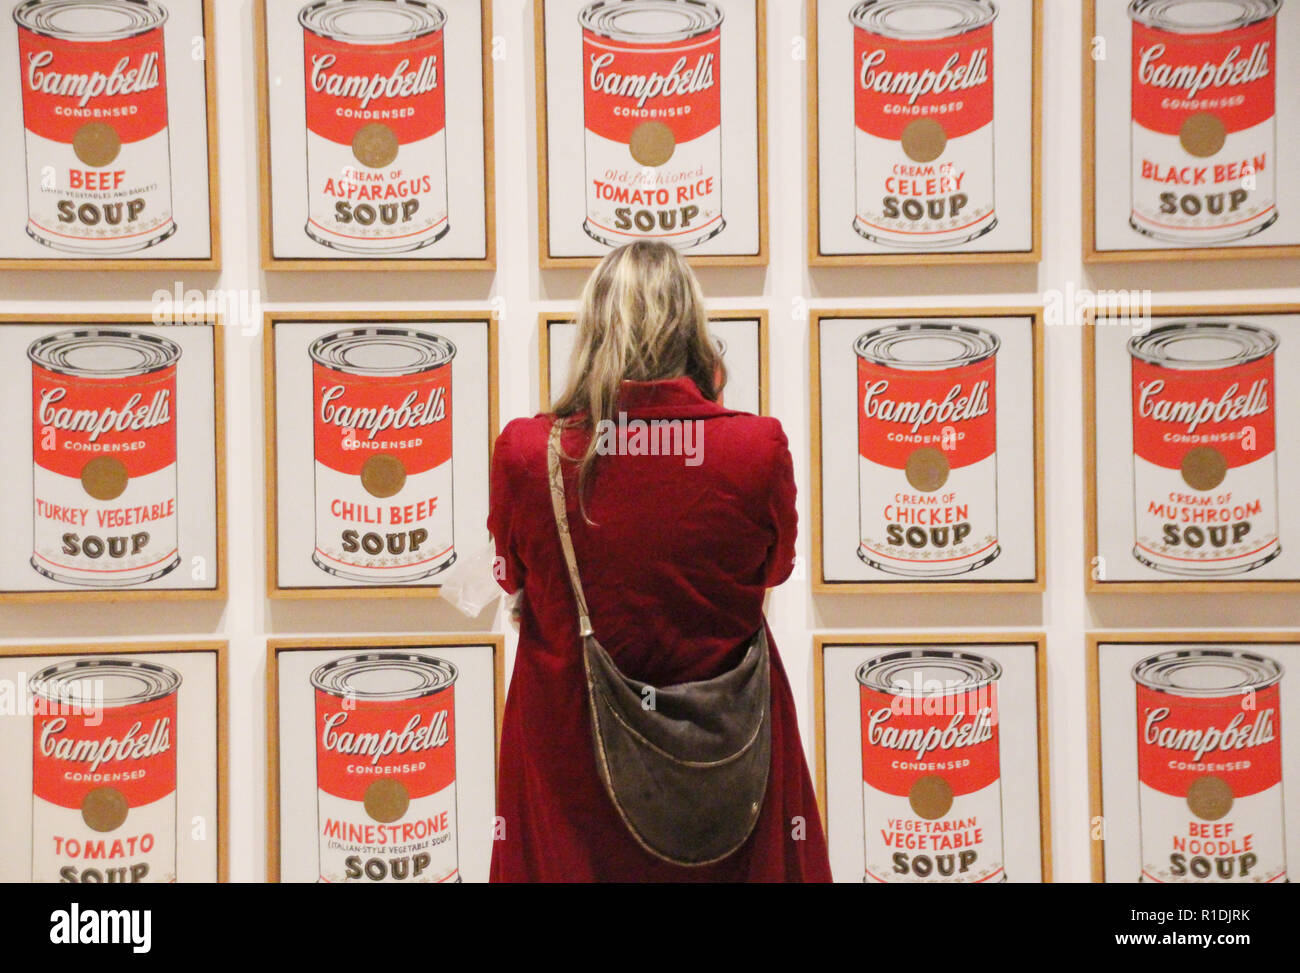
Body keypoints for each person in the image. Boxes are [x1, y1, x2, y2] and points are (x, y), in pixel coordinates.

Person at [487, 241, 831, 882]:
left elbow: (508, 576)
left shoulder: (528, 454)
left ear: (591, 330)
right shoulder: (755, 448)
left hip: (571, 754)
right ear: (693, 329)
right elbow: (776, 569)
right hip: (725, 754)